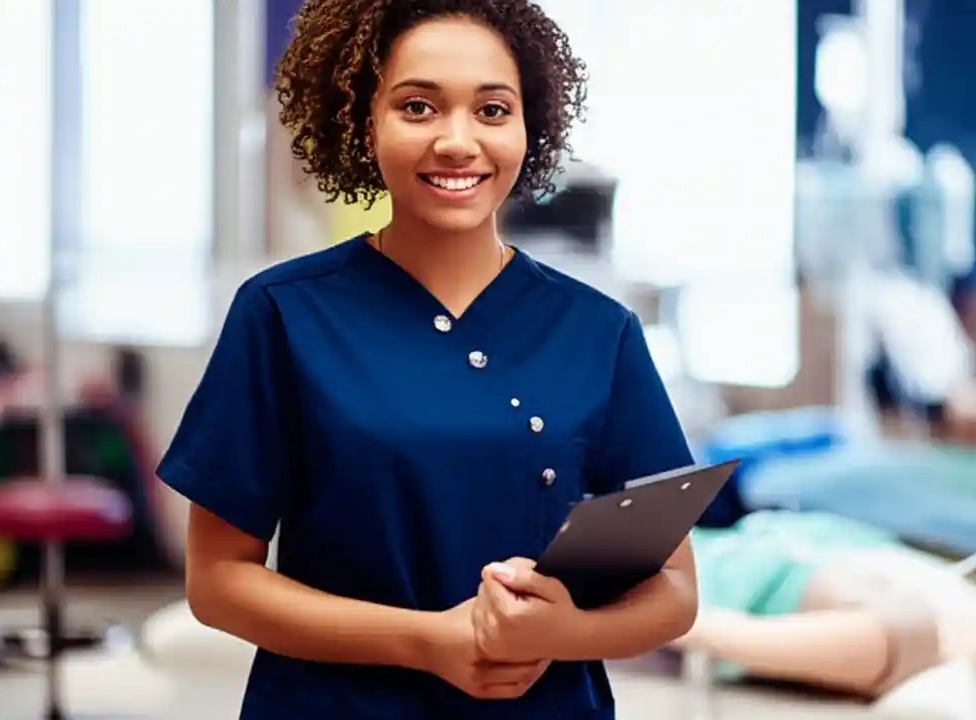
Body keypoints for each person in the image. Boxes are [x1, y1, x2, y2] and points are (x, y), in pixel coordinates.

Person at [157, 1, 699, 717]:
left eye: (493, 110)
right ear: (362, 121)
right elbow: (218, 580)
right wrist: (425, 641)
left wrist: (568, 631)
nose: (457, 141)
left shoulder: (599, 331)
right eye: (417, 107)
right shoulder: (284, 314)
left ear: (529, 127)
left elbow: (674, 589)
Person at [673, 510, 976, 720]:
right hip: (704, 542)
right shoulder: (954, 610)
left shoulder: (889, 644)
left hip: (665, 565)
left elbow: (705, 628)